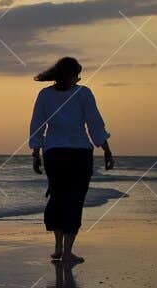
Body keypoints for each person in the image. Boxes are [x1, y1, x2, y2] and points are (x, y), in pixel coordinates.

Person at [29, 56, 113, 263]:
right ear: (71, 75)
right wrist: (106, 149)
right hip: (79, 153)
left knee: (57, 197)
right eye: (77, 74)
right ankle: (67, 251)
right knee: (74, 200)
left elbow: (37, 125)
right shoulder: (83, 93)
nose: (79, 78)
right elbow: (95, 124)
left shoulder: (45, 95)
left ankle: (58, 248)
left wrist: (36, 152)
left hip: (53, 153)